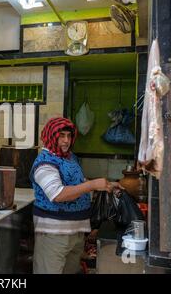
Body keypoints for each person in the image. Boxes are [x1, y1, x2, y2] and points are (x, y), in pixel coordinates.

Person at [30, 117, 119, 274]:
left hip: (75, 231)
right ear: (51, 136)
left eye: (69, 136)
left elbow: (77, 182)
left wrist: (106, 185)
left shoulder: (70, 157)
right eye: (61, 136)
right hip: (54, 234)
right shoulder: (45, 163)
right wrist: (92, 185)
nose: (66, 141)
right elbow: (58, 194)